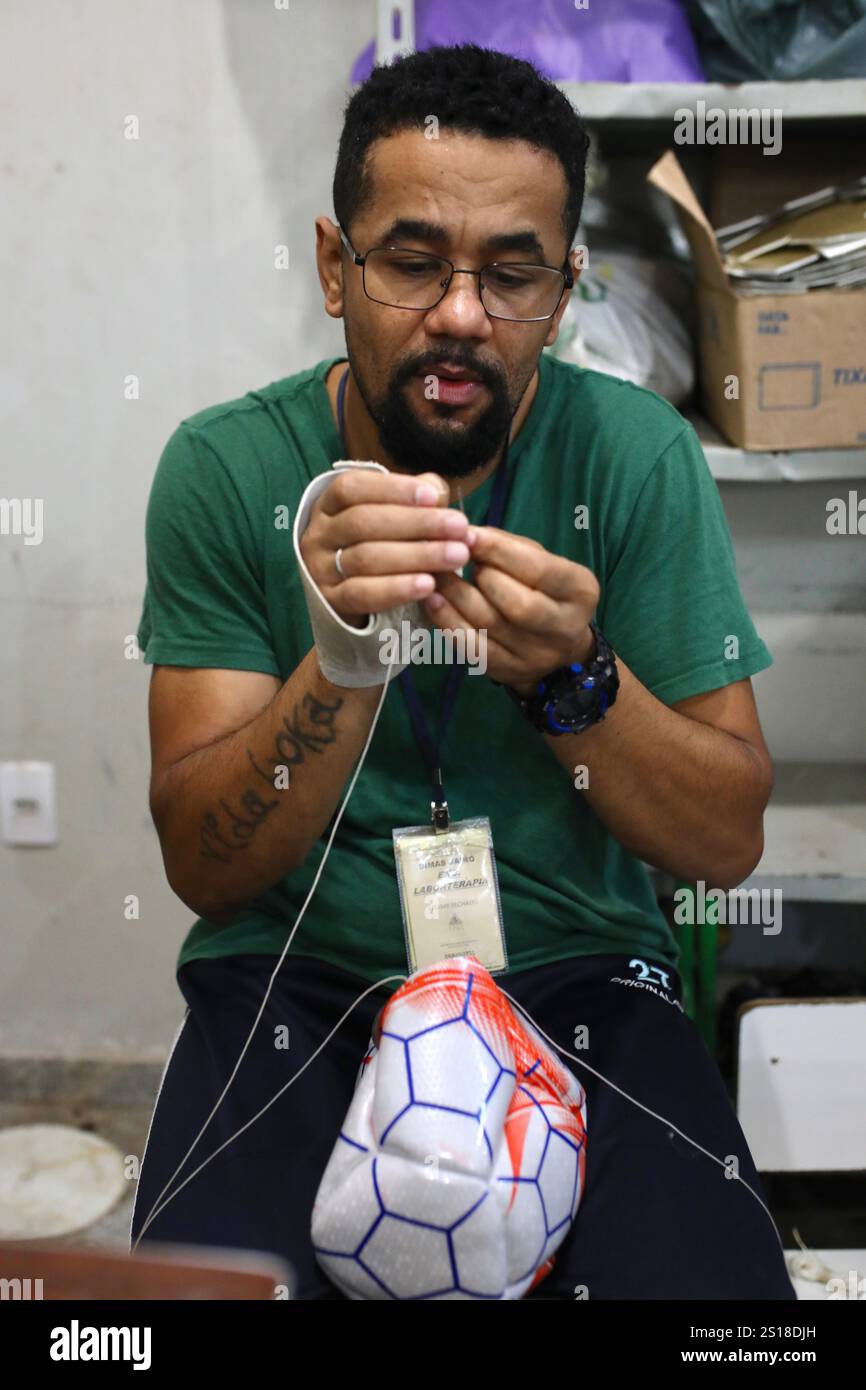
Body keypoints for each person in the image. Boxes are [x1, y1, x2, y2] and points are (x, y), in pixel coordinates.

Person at [130, 44, 794, 1300]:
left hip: (572, 966)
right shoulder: (225, 469)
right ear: (337, 266)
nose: (458, 315)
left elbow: (722, 842)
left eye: (511, 273)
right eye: (411, 260)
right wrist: (341, 661)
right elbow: (202, 866)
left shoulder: (634, 457)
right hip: (300, 970)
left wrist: (573, 680)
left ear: (564, 288)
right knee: (178, 1314)